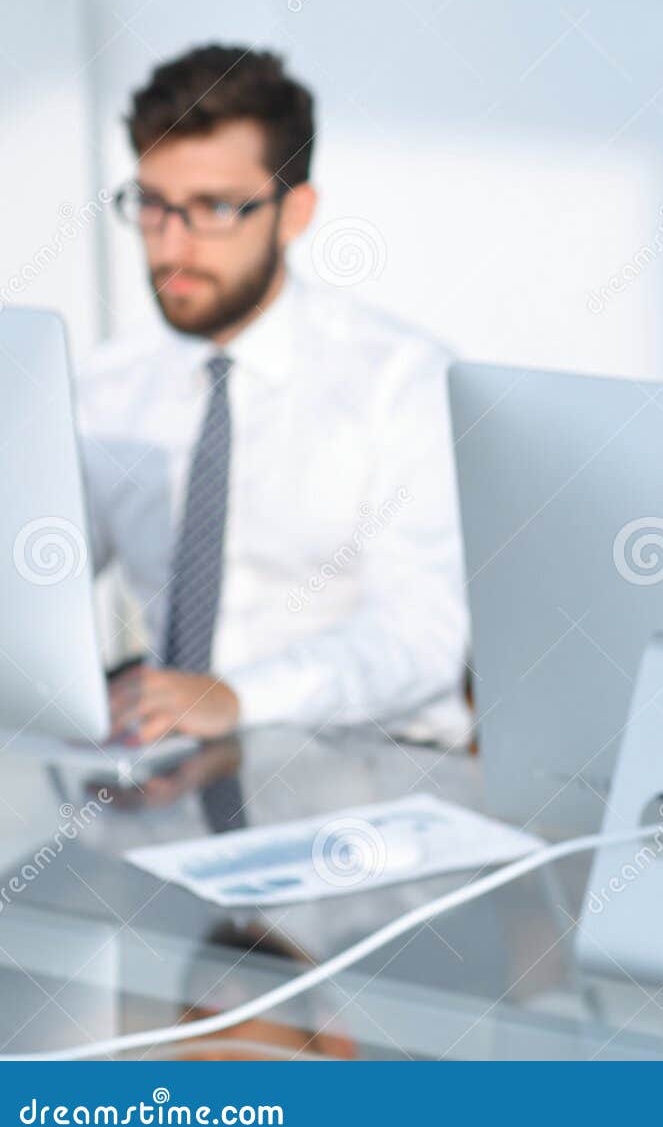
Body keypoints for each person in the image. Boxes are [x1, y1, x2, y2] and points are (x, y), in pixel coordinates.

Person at [77, 44, 472, 749]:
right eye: (153, 206)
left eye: (215, 208)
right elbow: (38, 580)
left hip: (373, 770)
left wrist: (235, 698)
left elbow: (422, 640)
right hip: (172, 766)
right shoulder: (113, 383)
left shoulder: (399, 382)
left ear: (294, 214)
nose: (172, 247)